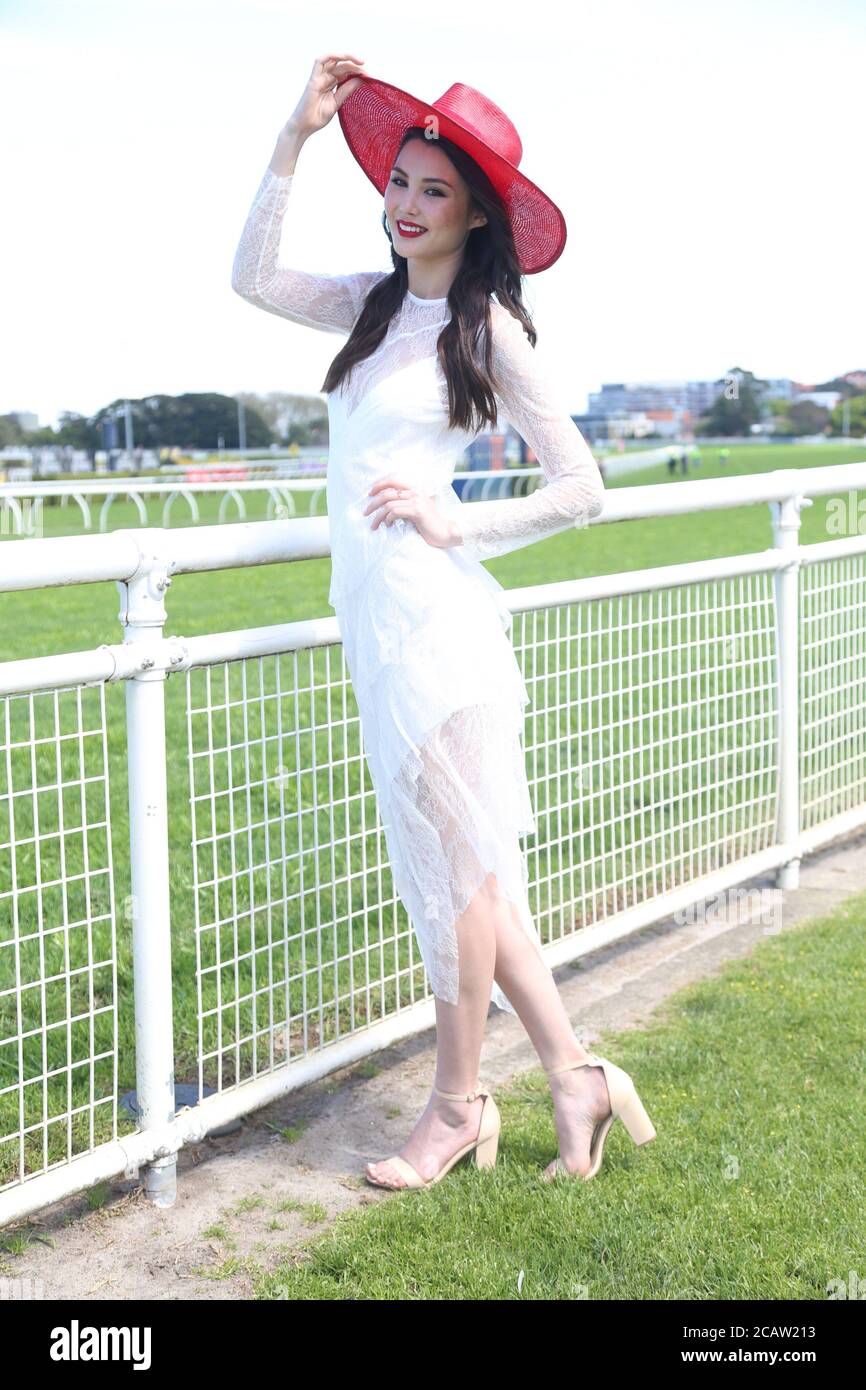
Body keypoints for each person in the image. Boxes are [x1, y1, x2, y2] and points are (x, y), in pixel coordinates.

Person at [231, 54, 656, 1189]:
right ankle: (574, 1074)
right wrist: (293, 138)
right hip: (373, 620)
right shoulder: (371, 307)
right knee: (467, 875)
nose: (404, 205)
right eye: (398, 183)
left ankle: (455, 1105)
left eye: (430, 190)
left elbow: (582, 485)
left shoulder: (489, 333)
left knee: (454, 876)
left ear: (473, 212)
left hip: (436, 621)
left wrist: (455, 518)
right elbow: (252, 276)